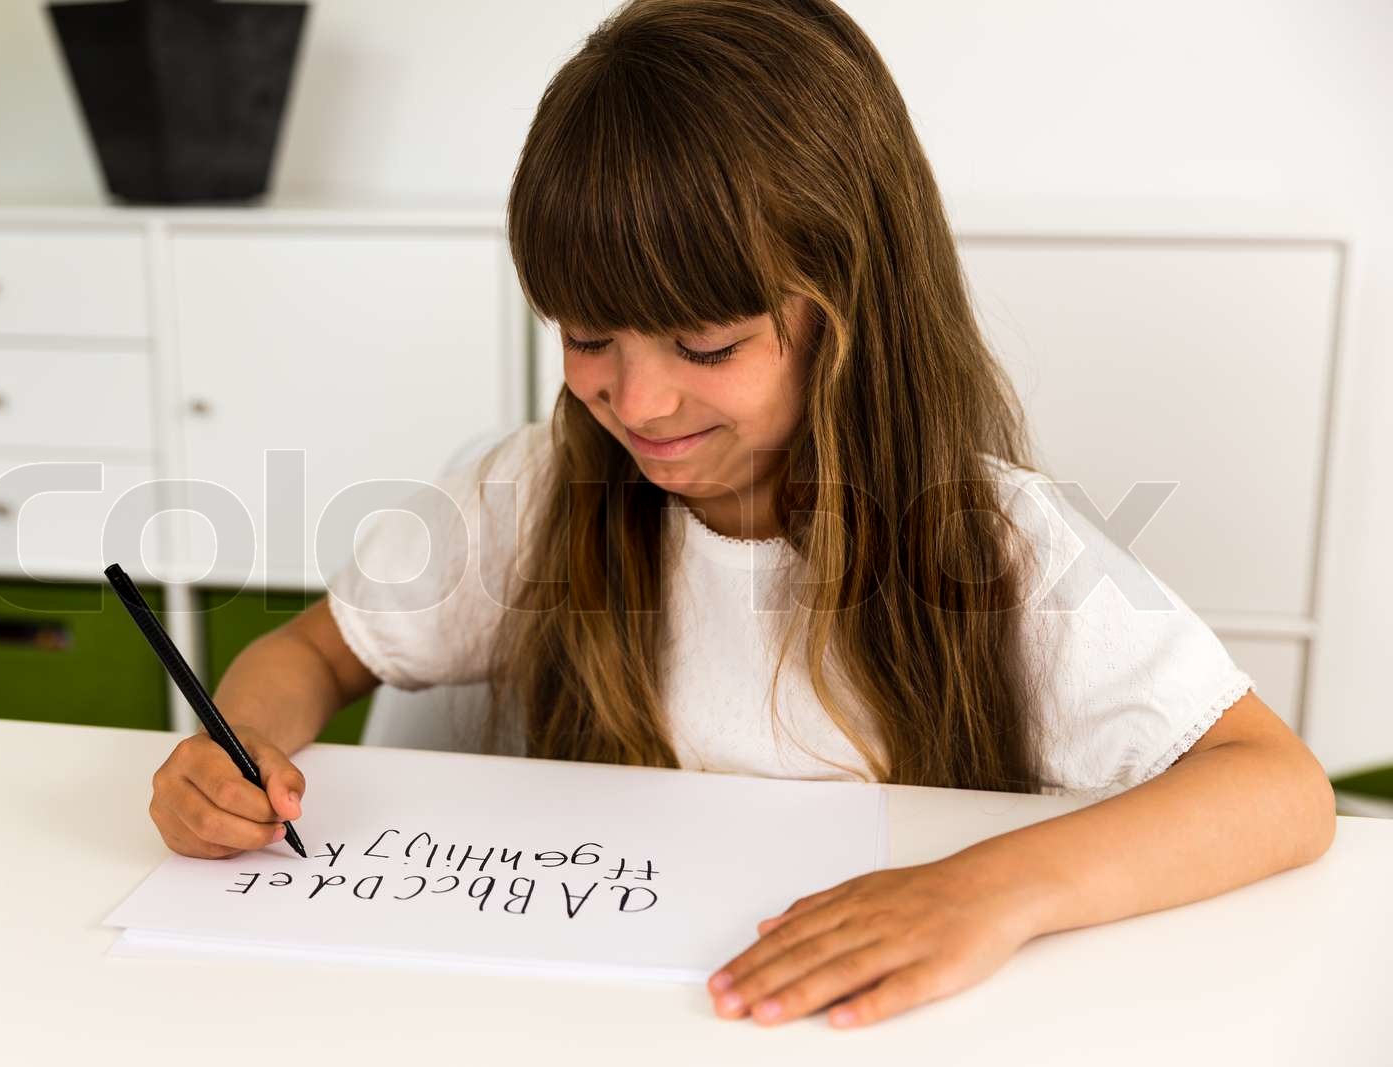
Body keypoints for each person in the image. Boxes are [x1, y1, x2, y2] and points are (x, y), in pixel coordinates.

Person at [147, 0, 1336, 1030]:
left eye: (706, 344)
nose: (637, 398)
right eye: (585, 336)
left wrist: (986, 889)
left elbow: (1277, 787)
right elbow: (311, 650)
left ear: (847, 308)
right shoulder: (538, 494)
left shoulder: (989, 539)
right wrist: (230, 744)